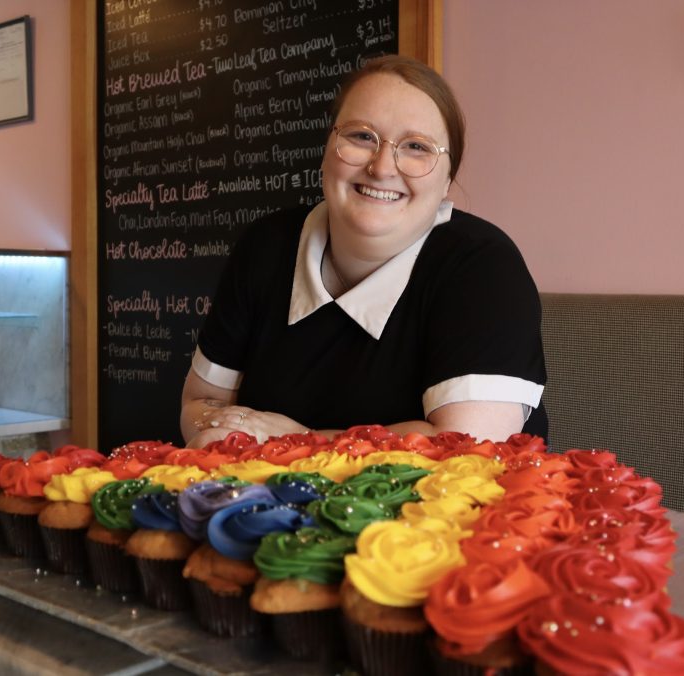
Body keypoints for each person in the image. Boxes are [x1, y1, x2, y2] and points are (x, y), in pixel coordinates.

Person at [181, 55, 546, 447]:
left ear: (447, 183)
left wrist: (293, 442)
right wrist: (218, 435)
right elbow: (201, 401)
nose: (382, 166)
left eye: (417, 147)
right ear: (326, 151)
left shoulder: (484, 268)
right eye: (361, 136)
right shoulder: (265, 247)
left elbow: (467, 448)